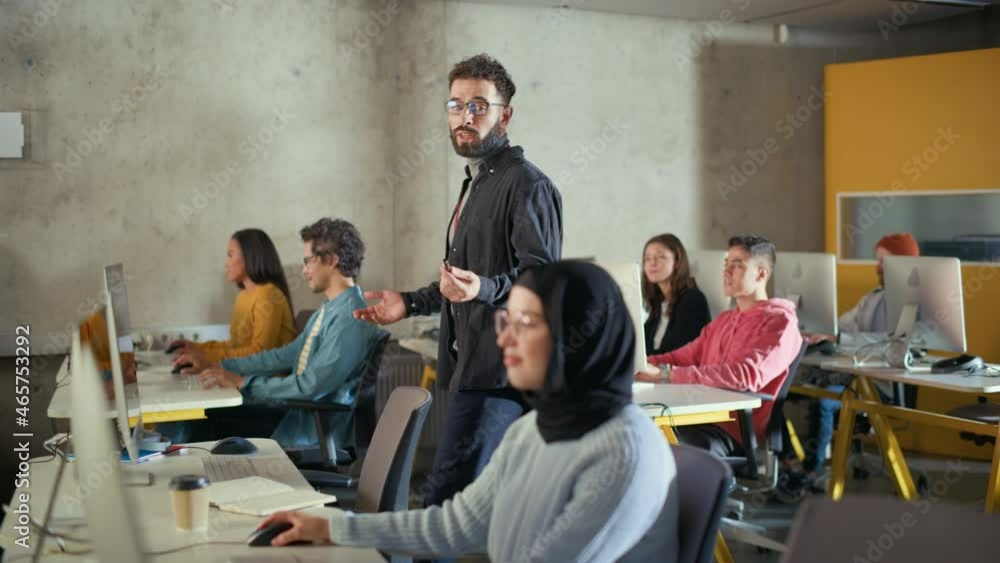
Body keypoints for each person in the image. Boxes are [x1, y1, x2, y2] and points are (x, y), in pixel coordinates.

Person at [259, 262, 678, 562]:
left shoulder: (625, 450)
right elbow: (455, 526)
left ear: (579, 335)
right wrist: (330, 527)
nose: (505, 339)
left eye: (526, 322)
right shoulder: (534, 428)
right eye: (505, 321)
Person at [353, 53, 563, 558]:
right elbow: (462, 280)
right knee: (479, 514)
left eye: (478, 106)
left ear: (505, 115)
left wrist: (485, 290)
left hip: (500, 378)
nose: (464, 117)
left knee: (440, 511)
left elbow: (541, 281)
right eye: (455, 105)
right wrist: (411, 302)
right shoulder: (477, 181)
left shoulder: (527, 185)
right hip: (471, 367)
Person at [168, 218, 385, 449]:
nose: (304, 270)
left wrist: (244, 383)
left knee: (198, 420)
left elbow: (310, 386)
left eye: (308, 261)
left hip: (312, 431)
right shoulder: (331, 308)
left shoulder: (350, 318)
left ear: (331, 260)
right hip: (296, 415)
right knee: (199, 415)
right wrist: (224, 368)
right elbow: (284, 355)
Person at [637, 235, 803, 457]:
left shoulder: (779, 322)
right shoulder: (724, 321)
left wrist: (667, 374)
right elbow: (682, 357)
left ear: (761, 274)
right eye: (726, 264)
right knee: (632, 434)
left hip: (730, 430)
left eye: (737, 265)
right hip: (697, 416)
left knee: (649, 447)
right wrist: (637, 363)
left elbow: (746, 375)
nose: (726, 272)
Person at [796, 233, 920, 473]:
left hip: (883, 388)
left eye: (884, 262)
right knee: (790, 386)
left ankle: (809, 473)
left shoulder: (913, 304)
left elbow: (890, 343)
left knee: (823, 400)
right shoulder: (873, 298)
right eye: (878, 260)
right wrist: (819, 329)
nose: (878, 267)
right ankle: (789, 461)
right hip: (855, 378)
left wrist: (840, 338)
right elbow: (843, 325)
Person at [169, 228, 297, 373]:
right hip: (245, 375)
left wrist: (206, 356)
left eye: (230, 255)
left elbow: (260, 353)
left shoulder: (268, 294)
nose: (226, 264)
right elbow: (235, 347)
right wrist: (196, 347)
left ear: (249, 257)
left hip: (269, 382)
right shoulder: (243, 296)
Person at [641, 233, 711, 355]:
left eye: (661, 257)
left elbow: (679, 352)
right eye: (647, 258)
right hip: (656, 370)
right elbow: (641, 346)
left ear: (678, 261)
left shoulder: (693, 300)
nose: (652, 263)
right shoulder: (659, 303)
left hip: (675, 372)